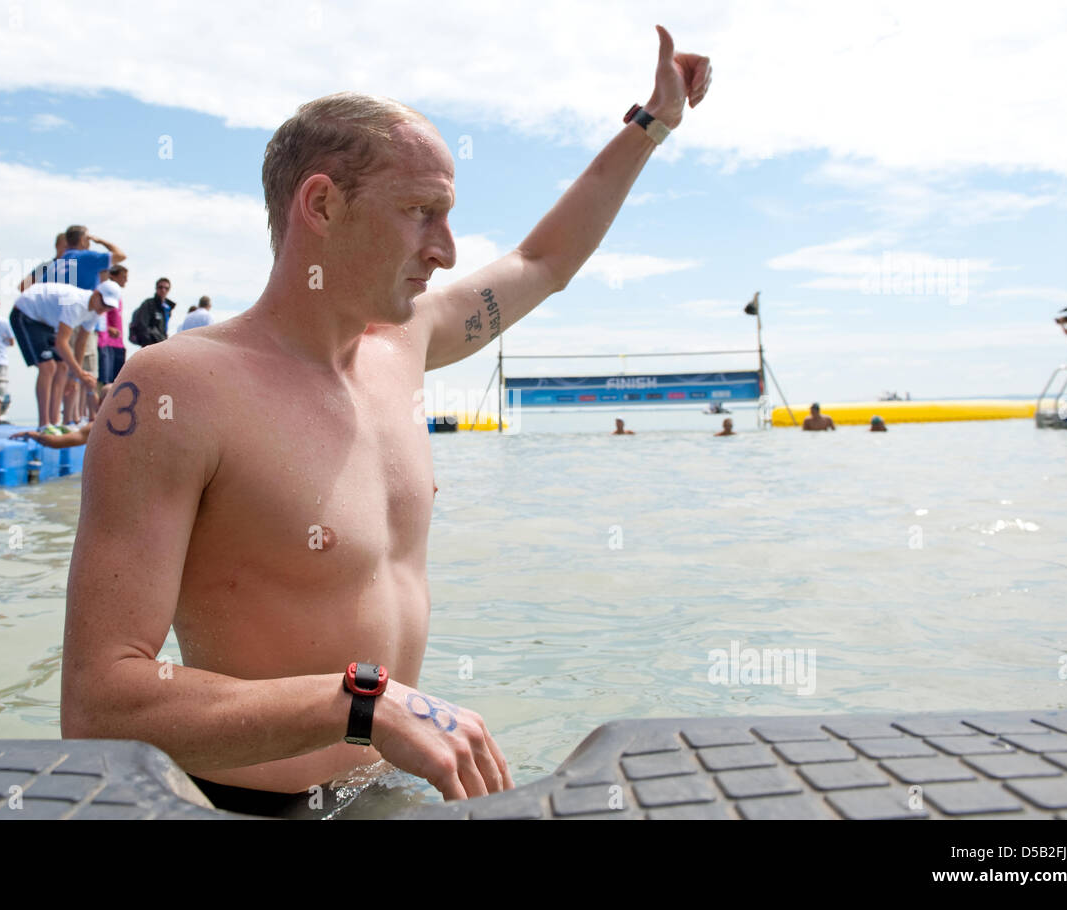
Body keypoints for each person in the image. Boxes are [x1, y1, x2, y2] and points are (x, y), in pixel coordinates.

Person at [61, 25, 711, 815]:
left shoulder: (404, 344)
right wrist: (362, 704)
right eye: (420, 212)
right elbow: (99, 703)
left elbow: (544, 263)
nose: (445, 249)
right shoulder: (178, 389)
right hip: (252, 804)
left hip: (386, 784)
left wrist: (653, 125)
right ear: (323, 205)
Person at [9, 282, 118, 431]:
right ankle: (43, 424)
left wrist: (75, 377)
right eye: (104, 303)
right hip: (25, 312)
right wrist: (80, 374)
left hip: (45, 321)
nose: (104, 309)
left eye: (109, 307)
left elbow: (81, 343)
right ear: (96, 293)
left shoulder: (95, 313)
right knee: (48, 366)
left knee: (64, 366)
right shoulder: (75, 302)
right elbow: (61, 343)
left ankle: (54, 422)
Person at [56, 224, 125, 291]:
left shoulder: (55, 265)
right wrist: (100, 241)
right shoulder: (88, 258)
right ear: (82, 240)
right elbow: (121, 255)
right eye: (88, 239)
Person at [96, 265, 128, 388]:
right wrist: (108, 329)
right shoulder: (105, 292)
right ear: (113, 276)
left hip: (118, 345)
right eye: (123, 276)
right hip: (105, 344)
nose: (126, 280)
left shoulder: (118, 296)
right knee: (104, 382)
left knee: (116, 384)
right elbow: (98, 313)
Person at [129, 277, 175, 346]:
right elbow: (142, 325)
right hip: (149, 345)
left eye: (166, 288)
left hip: (161, 344)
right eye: (160, 287)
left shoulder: (167, 308)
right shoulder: (148, 304)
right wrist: (148, 343)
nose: (163, 290)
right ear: (156, 288)